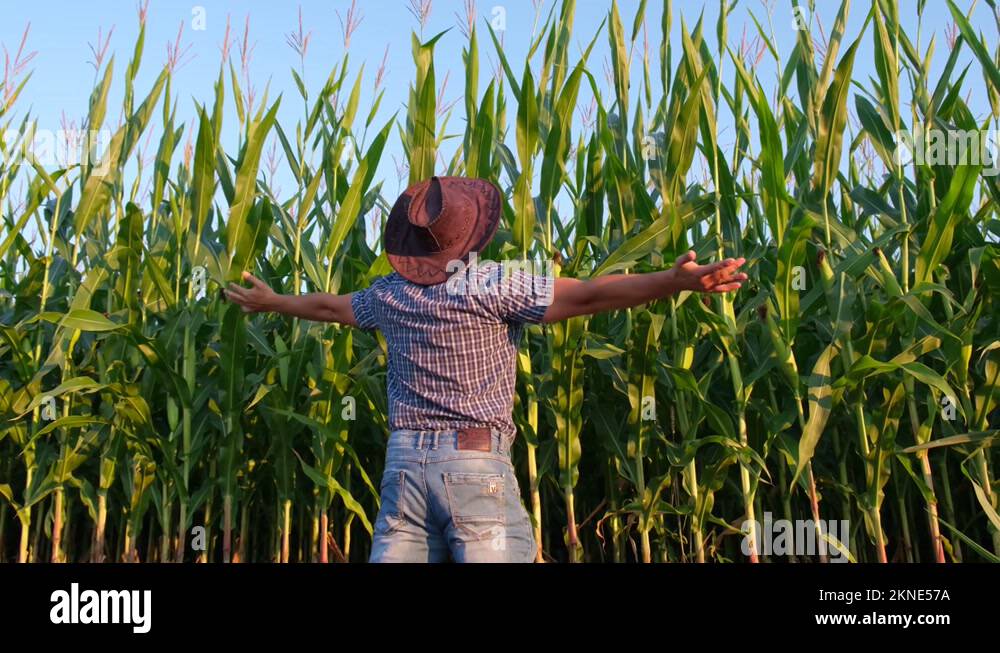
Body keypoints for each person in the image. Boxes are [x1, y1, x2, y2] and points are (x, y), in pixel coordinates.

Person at [224, 175, 746, 562]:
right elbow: (589, 297)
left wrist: (274, 301)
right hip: (475, 465)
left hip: (403, 467)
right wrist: (674, 281)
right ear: (471, 238)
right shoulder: (493, 284)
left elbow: (330, 307)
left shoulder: (390, 294)